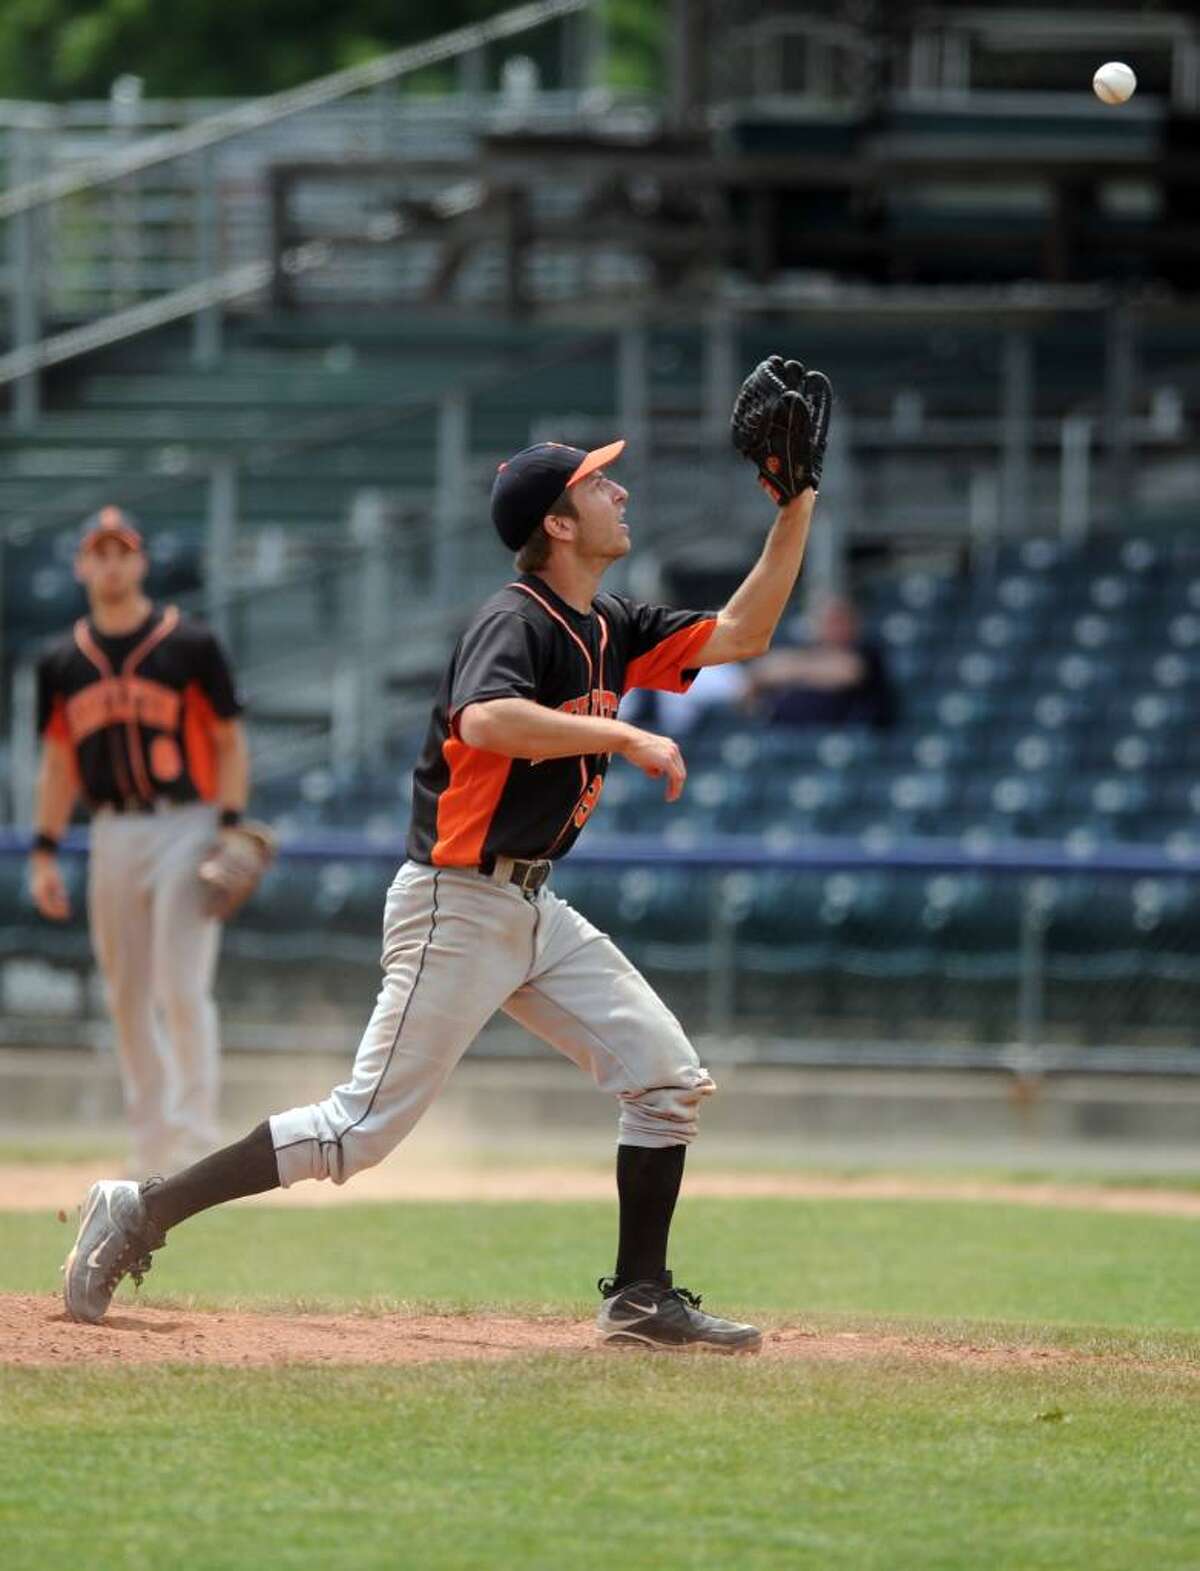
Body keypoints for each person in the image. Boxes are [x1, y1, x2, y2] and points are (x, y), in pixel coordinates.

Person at [62, 440, 818, 1351]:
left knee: (663, 1077)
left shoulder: (607, 622)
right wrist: (624, 738)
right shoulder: (518, 616)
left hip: (532, 910)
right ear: (559, 522)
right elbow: (488, 719)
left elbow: (744, 634)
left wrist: (797, 504)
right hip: (454, 905)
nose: (619, 489)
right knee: (357, 1131)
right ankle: (139, 1209)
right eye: (596, 482)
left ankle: (640, 1298)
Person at [31, 506, 250, 1176]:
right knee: (126, 993)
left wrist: (230, 826)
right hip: (110, 831)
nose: (111, 563)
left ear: (141, 561)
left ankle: (193, 1136)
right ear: (81, 566)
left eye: (121, 551)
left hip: (185, 822)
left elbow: (229, 739)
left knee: (180, 986)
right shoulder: (62, 661)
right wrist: (45, 847)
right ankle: (151, 1138)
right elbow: (60, 761)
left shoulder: (191, 643)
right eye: (98, 553)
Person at [746, 594, 896, 730]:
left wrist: (792, 669)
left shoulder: (867, 651)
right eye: (829, 621)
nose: (835, 628)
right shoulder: (809, 650)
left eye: (840, 620)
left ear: (855, 622)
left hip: (847, 736)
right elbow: (757, 676)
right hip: (790, 735)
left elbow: (848, 671)